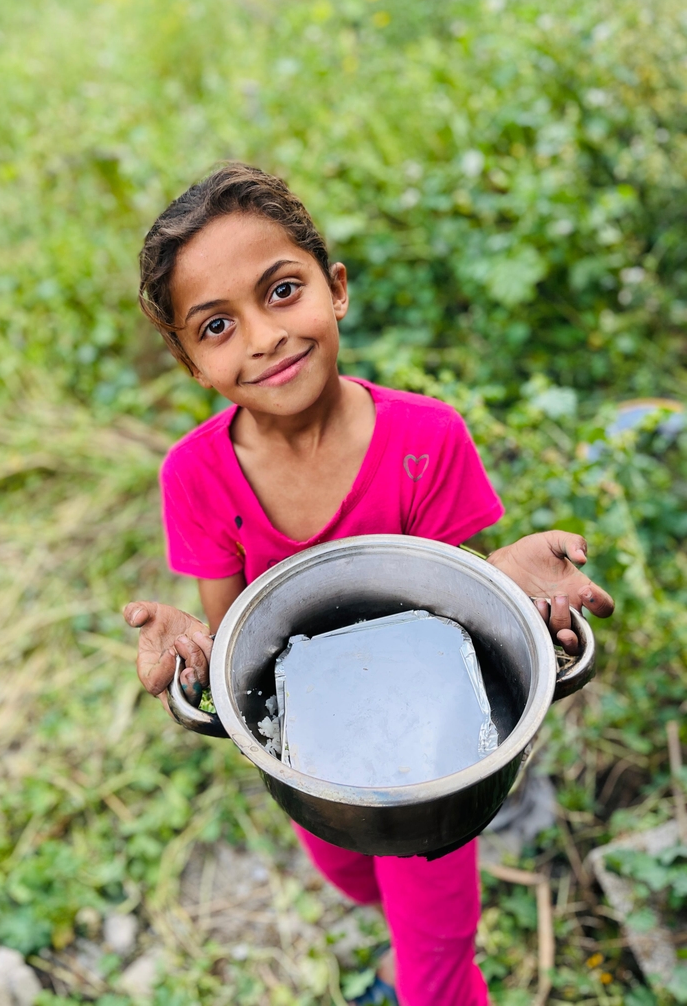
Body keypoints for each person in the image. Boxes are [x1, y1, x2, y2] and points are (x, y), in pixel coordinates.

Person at [123, 163, 614, 1006]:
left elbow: (448, 612)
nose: (263, 337)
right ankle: (406, 951)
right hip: (317, 763)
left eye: (282, 291)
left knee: (438, 970)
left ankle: (429, 972)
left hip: (431, 771)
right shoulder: (197, 477)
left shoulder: (427, 438)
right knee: (352, 874)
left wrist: (507, 584)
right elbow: (241, 634)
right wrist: (197, 652)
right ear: (191, 363)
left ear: (336, 288)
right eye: (217, 325)